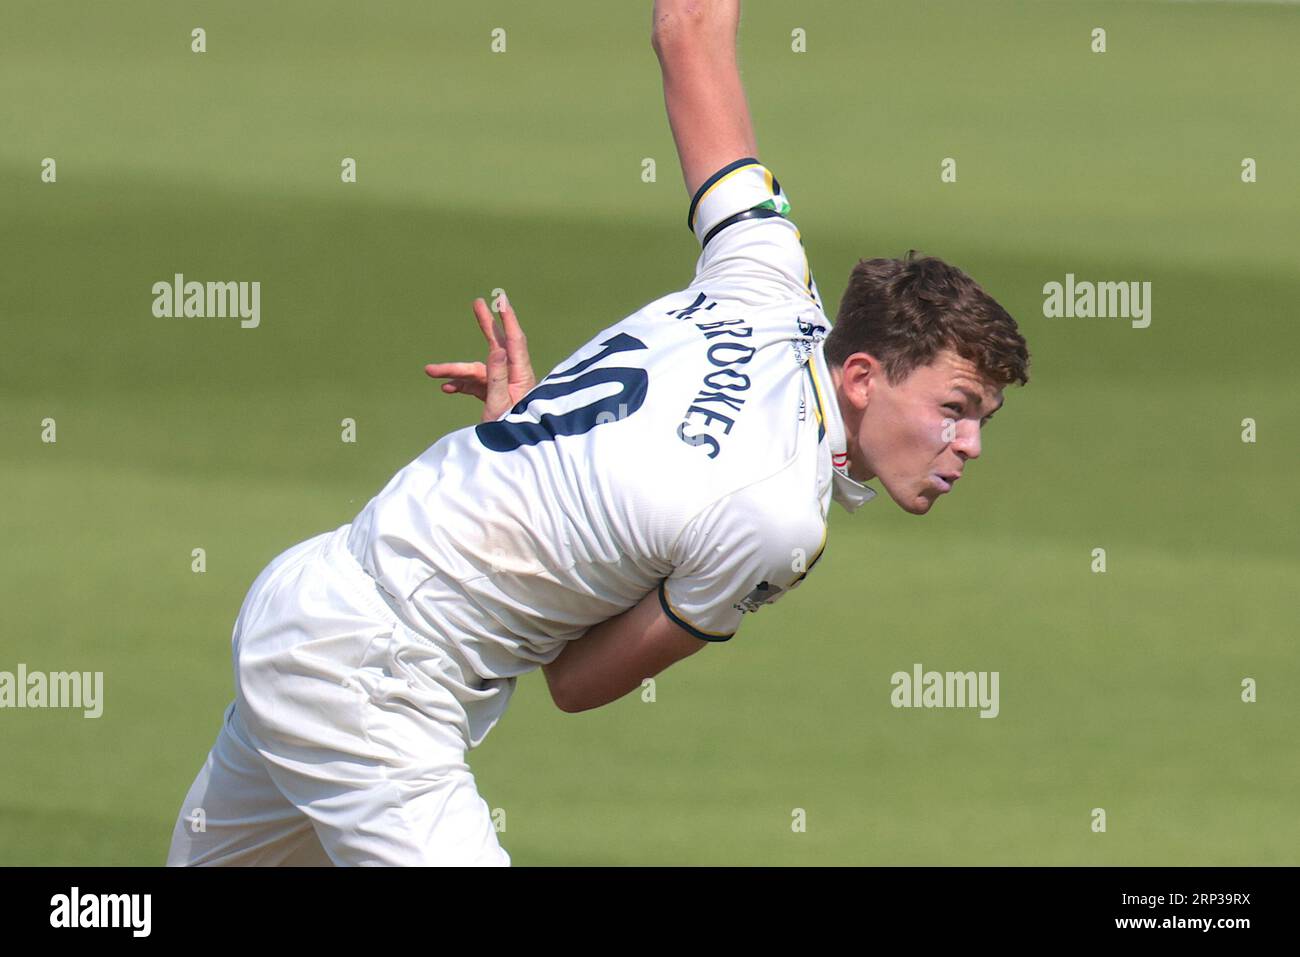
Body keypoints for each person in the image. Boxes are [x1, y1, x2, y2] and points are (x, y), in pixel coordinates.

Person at [166, 0, 1029, 867]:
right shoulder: (780, 519)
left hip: (314, 594)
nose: (970, 444)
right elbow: (576, 684)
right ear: (862, 376)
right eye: (952, 407)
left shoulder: (764, 268)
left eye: (982, 419)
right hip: (378, 681)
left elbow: (686, 26)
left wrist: (548, 455)